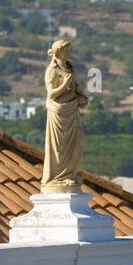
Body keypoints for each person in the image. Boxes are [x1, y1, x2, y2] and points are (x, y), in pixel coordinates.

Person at [41, 38, 87, 192]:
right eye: (65, 51)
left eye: (68, 50)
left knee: (78, 142)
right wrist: (63, 84)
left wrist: (81, 96)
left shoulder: (69, 68)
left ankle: (70, 173)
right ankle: (58, 177)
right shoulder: (52, 71)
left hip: (72, 109)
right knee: (59, 148)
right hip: (58, 112)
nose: (68, 53)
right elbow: (51, 94)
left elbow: (75, 87)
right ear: (57, 53)